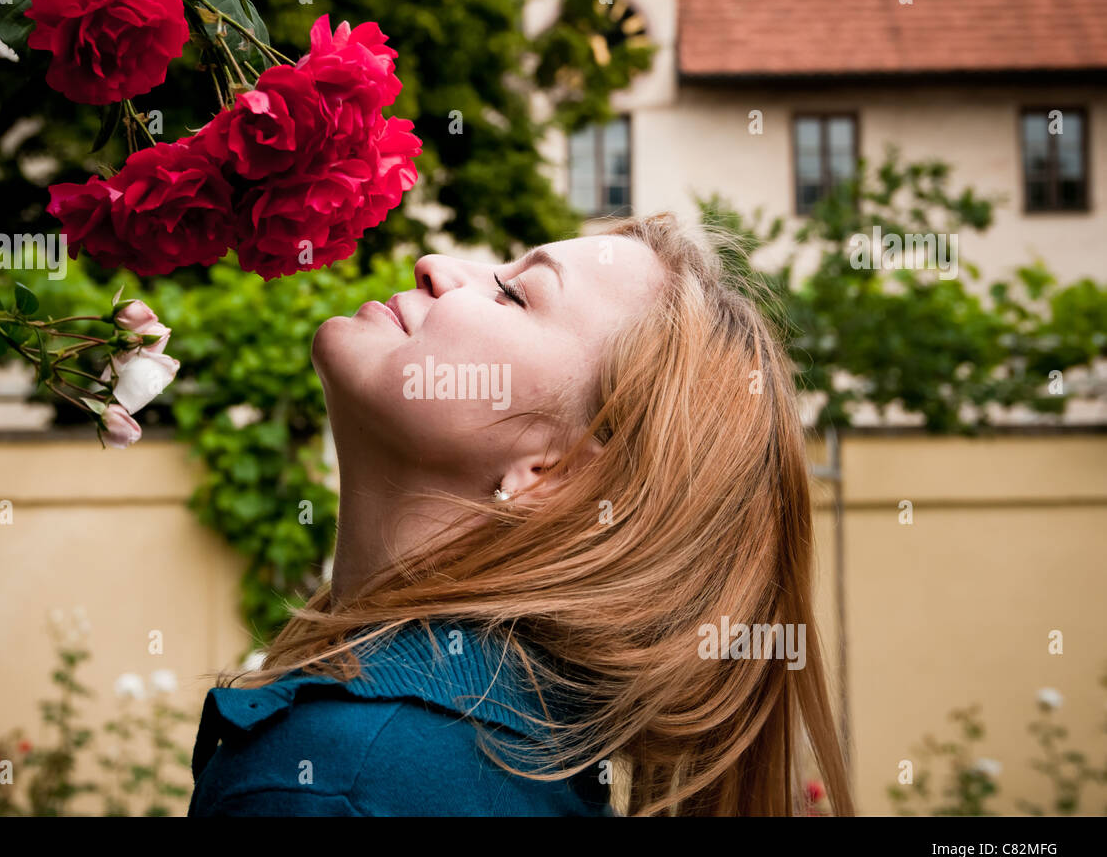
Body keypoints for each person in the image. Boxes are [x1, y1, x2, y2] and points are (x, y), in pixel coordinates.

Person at [189, 212, 854, 816]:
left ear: (558, 473)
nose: (435, 265)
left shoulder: (343, 779)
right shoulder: (494, 764)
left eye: (513, 293)